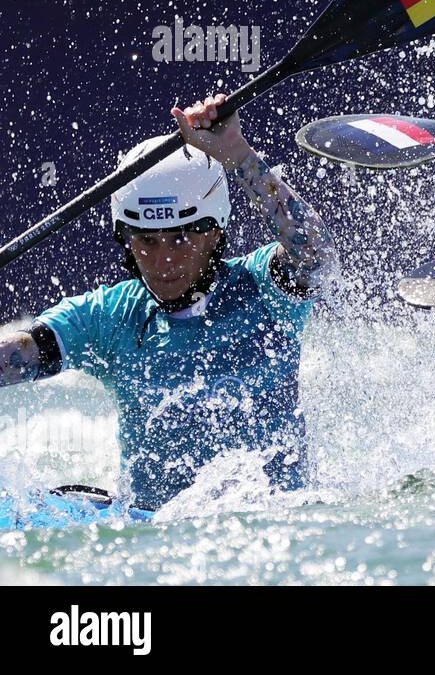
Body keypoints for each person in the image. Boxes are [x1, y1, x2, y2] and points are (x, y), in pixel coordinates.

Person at [0, 94, 336, 510]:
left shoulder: (264, 287)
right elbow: (18, 351)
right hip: (153, 538)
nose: (164, 260)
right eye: (147, 241)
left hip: (274, 529)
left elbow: (317, 255)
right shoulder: (109, 316)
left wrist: (239, 156)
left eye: (182, 237)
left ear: (215, 232)